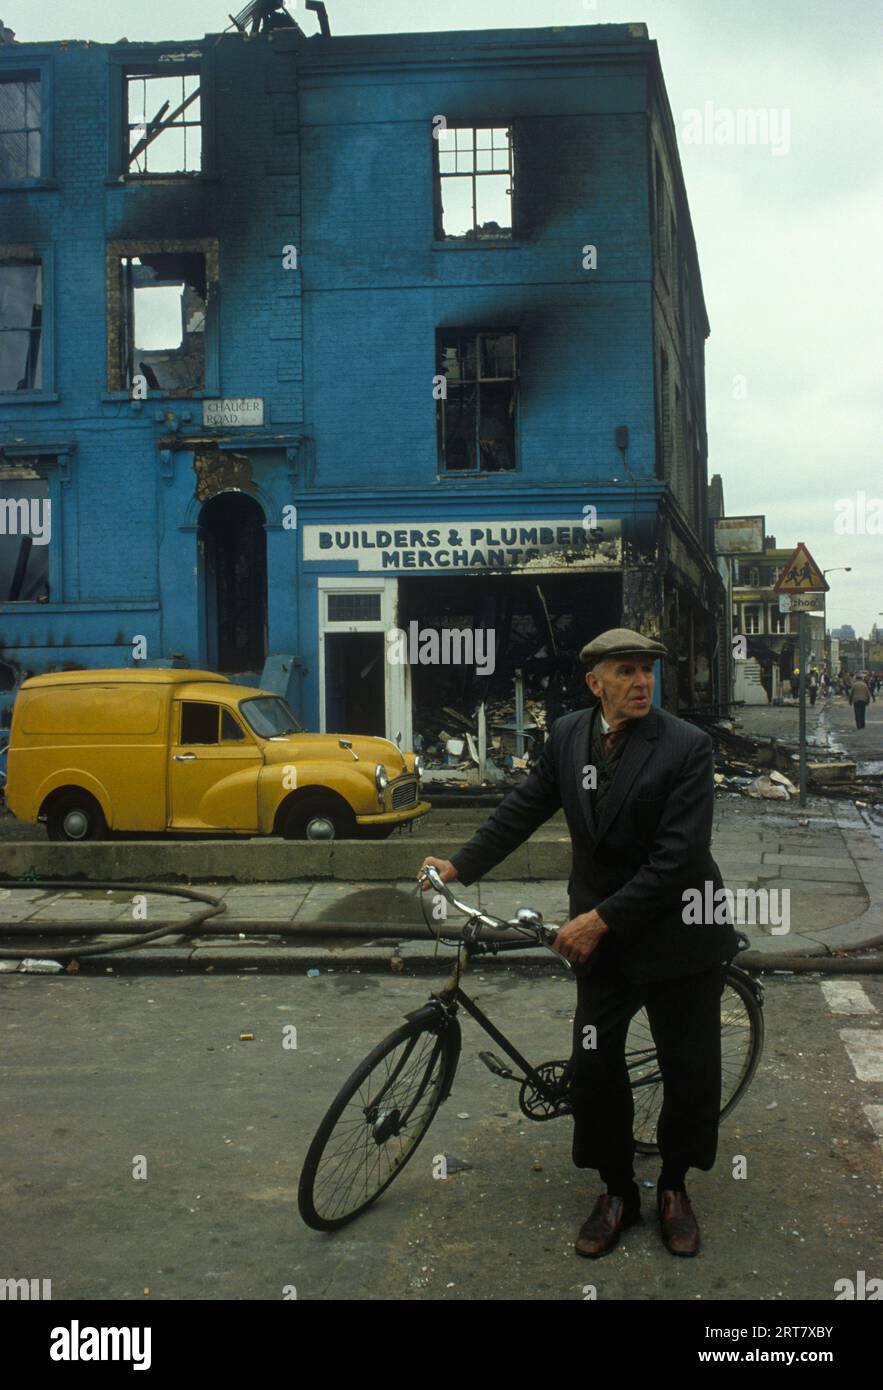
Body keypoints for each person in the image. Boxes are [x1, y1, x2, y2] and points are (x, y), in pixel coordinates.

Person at [419, 628, 738, 1260]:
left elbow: (679, 856)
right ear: (595, 683)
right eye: (626, 672)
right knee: (594, 1067)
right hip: (605, 944)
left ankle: (674, 1187)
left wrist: (599, 919)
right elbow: (523, 808)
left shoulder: (686, 746)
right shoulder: (567, 736)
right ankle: (616, 1189)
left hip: (682, 937)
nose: (641, 682)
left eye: (647, 670)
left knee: (689, 1068)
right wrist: (460, 866)